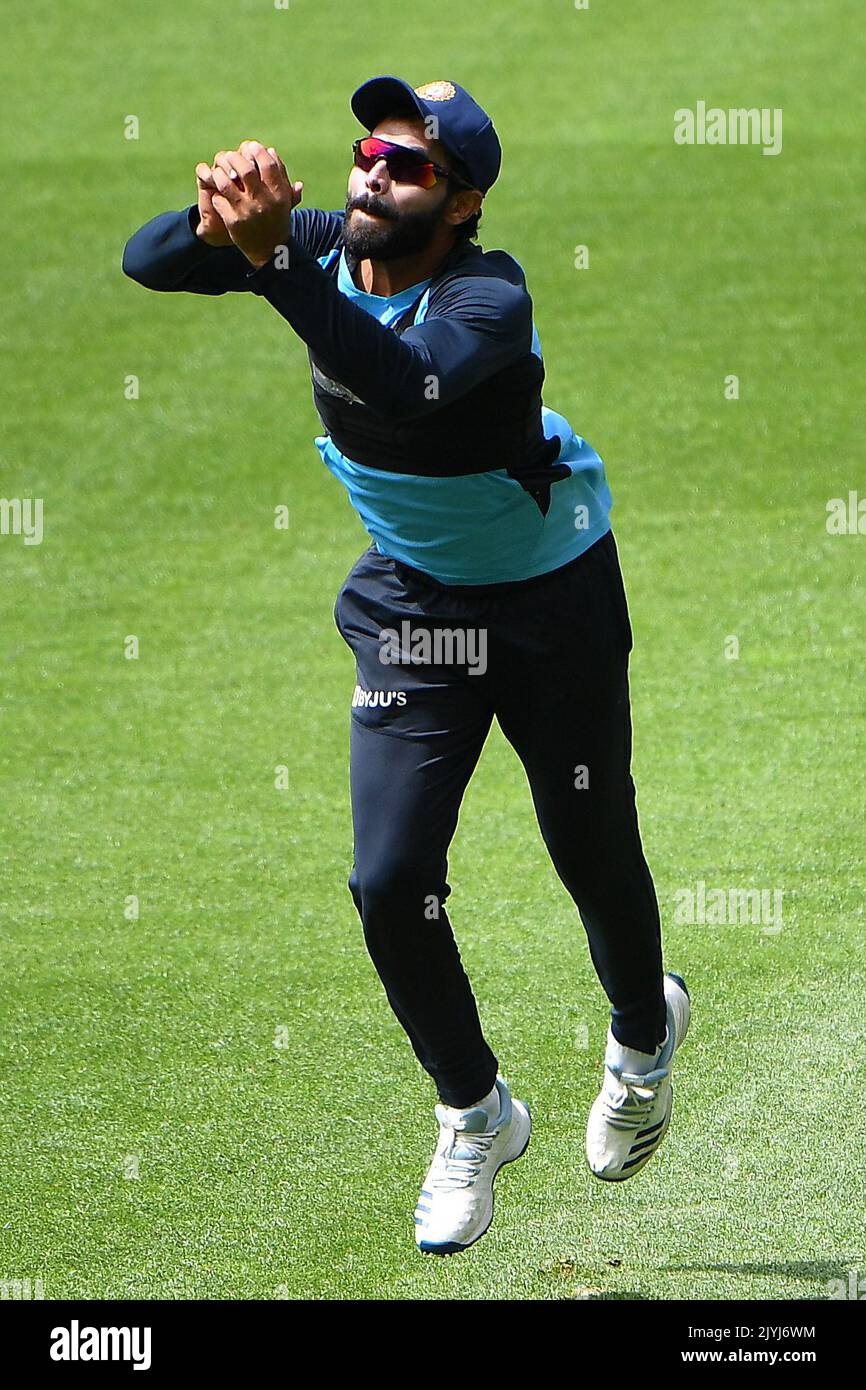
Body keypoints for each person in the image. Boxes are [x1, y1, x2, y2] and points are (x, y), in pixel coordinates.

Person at [122, 75, 691, 1256]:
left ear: (462, 200)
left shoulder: (487, 293)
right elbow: (146, 260)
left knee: (587, 843)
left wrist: (275, 265)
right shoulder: (320, 244)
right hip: (417, 608)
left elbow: (404, 382)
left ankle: (641, 1041)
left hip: (549, 600)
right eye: (366, 150)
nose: (373, 173)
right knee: (387, 880)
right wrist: (223, 214)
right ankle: (475, 1111)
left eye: (409, 165)